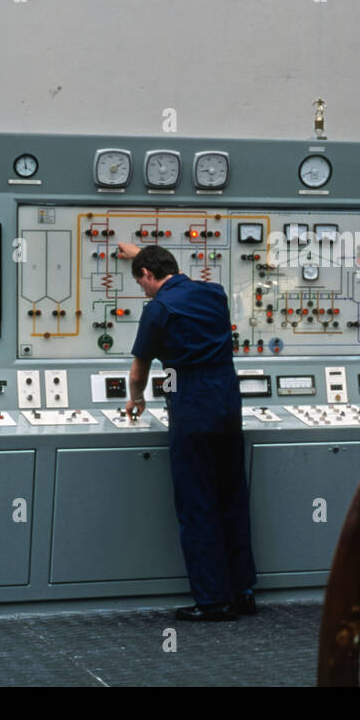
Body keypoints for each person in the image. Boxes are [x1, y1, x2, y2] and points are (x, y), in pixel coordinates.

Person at [117, 242, 257, 621]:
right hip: (227, 399)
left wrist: (137, 400)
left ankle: (213, 600)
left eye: (141, 282)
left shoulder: (158, 309)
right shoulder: (214, 293)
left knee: (197, 503)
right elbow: (177, 279)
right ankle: (243, 591)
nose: (142, 291)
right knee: (232, 496)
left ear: (148, 275)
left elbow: (138, 370)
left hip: (190, 399)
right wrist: (140, 253)